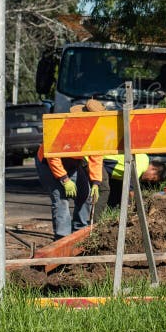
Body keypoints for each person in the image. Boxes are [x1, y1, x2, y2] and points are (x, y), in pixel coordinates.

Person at [35, 99, 105, 240]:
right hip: (48, 163)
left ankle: (80, 231)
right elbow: (53, 157)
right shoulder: (64, 129)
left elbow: (96, 157)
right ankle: (62, 238)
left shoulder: (94, 132)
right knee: (61, 199)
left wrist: (96, 182)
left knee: (85, 193)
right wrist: (64, 179)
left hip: (73, 163)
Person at [97, 152, 163, 211]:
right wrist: (137, 204)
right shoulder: (142, 163)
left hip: (103, 163)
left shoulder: (143, 157)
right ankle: (94, 221)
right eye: (153, 178)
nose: (149, 180)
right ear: (154, 169)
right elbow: (131, 187)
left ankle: (111, 210)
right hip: (99, 161)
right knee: (104, 191)